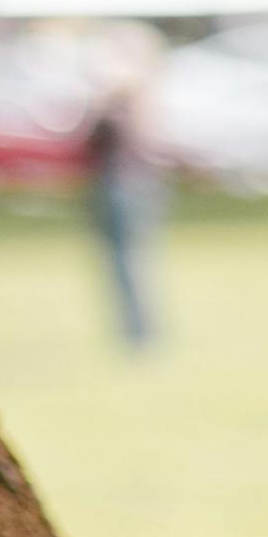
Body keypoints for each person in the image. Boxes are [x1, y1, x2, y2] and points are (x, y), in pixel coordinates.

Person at [79, 26, 172, 354]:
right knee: (130, 260)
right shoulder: (143, 89)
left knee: (126, 261)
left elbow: (91, 136)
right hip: (135, 183)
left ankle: (138, 334)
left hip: (123, 184)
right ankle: (138, 331)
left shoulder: (124, 91)